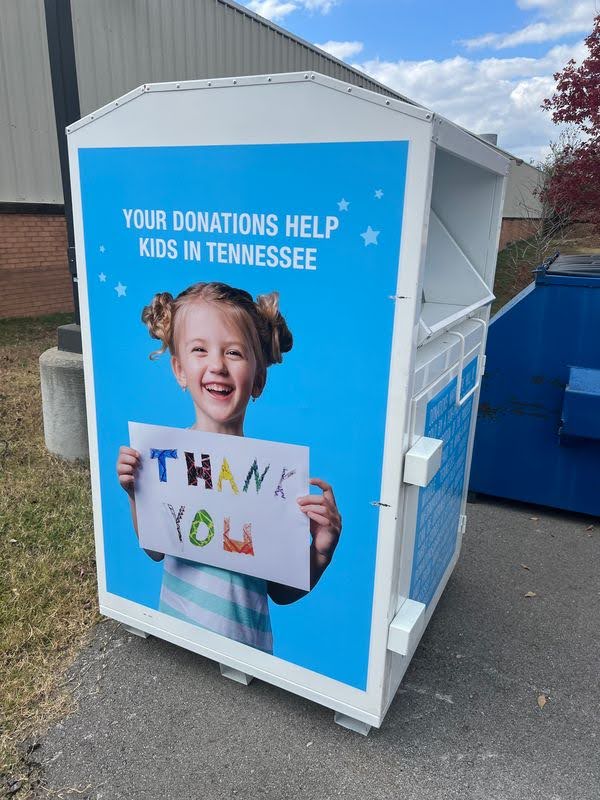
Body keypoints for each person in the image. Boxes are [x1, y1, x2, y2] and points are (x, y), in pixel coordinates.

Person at [116, 281, 341, 654]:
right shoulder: (165, 461)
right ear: (180, 370)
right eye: (200, 350)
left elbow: (282, 593)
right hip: (179, 645)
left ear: (258, 378)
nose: (217, 365)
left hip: (249, 657)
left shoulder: (275, 481)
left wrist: (319, 553)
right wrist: (135, 493)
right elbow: (155, 551)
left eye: (234, 353)